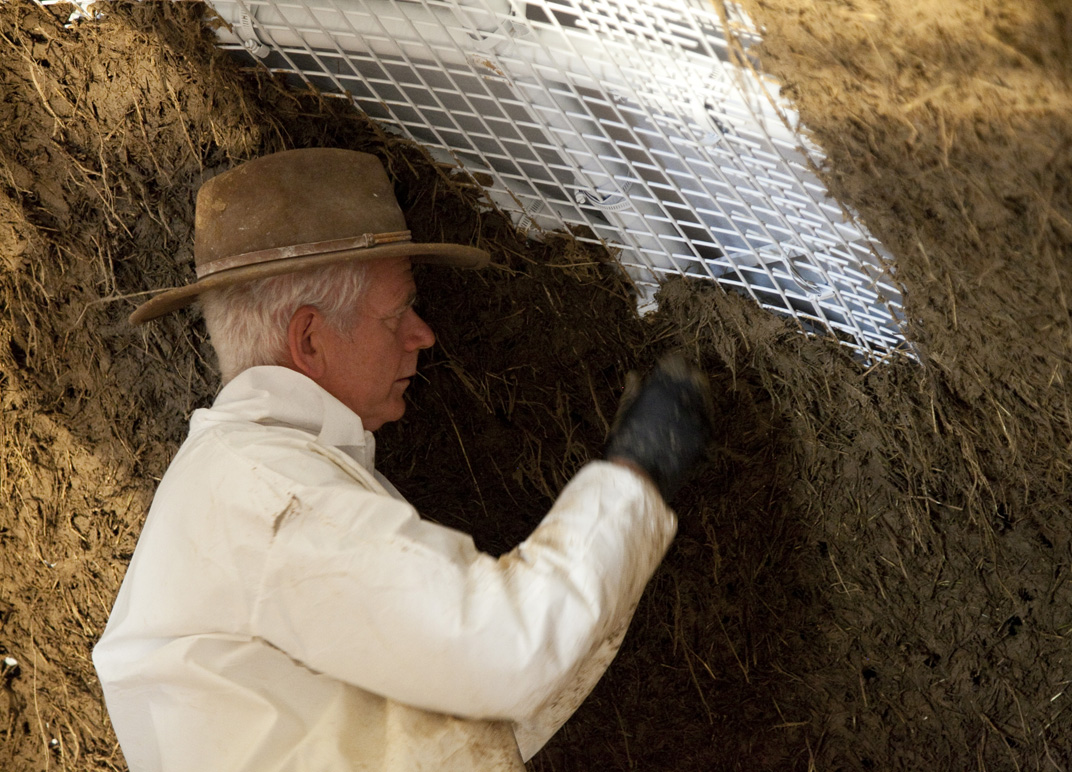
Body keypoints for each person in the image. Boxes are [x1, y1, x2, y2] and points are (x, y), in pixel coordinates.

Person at [93, 147, 711, 771]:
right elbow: (503, 653)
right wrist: (633, 476)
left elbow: (476, 720)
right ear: (309, 338)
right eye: (397, 314)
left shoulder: (246, 482)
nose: (423, 334)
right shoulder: (275, 496)